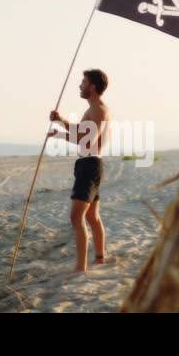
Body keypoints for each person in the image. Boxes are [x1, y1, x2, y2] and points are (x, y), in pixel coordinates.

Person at [48, 69, 111, 272]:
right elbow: (82, 132)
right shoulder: (93, 109)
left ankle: (80, 268)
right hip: (91, 164)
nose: (80, 85)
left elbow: (85, 140)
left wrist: (58, 135)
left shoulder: (98, 110)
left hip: (90, 165)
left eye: (83, 82)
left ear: (92, 86)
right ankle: (100, 258)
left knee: (76, 218)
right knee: (92, 217)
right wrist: (61, 121)